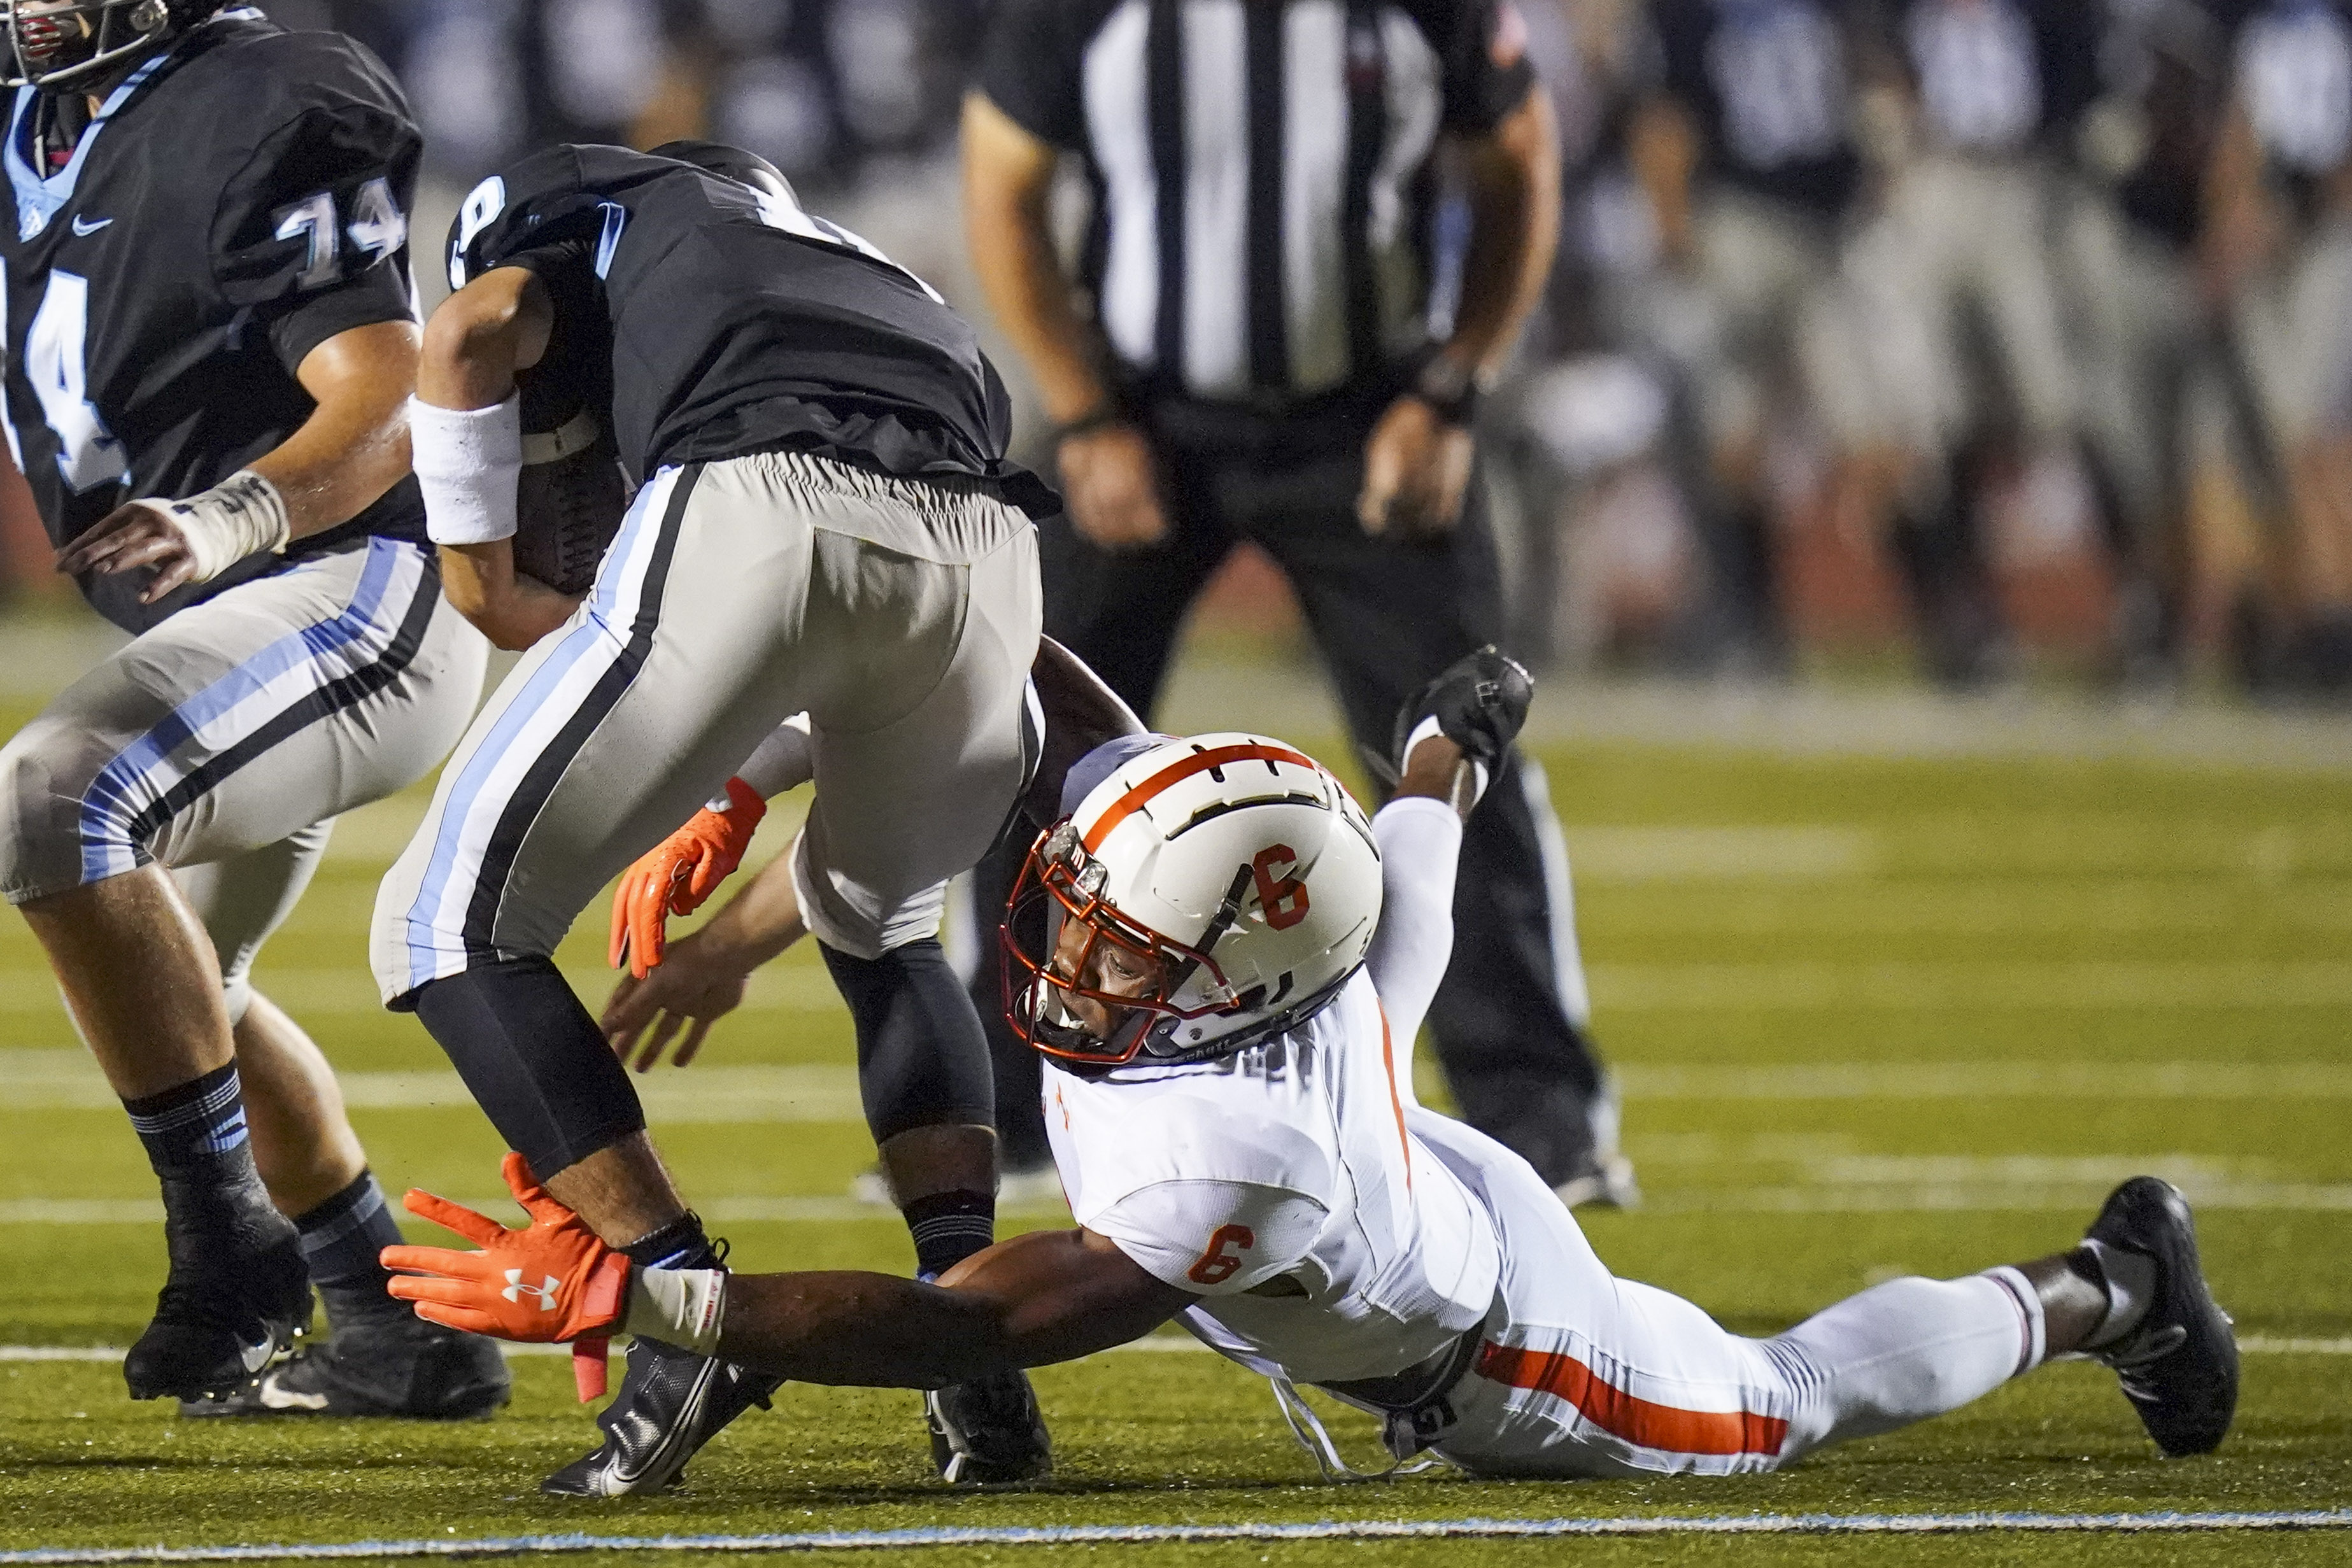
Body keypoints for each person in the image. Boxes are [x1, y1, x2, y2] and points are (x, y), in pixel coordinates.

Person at [381, 647, 2241, 1481]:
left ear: (1221, 976)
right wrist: (1443, 742)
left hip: (1505, 1348)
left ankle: (2104, 1288)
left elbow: (966, 1327)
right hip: (1409, 1146)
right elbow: (1029, 692)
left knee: (1771, 1407)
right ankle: (2105, 1289)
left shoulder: (1223, 1157)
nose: (1062, 933)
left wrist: (668, 1308)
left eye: (1119, 938)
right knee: (1395, 929)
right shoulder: (1250, 918)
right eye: (1082, 902)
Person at [367, 139, 1056, 1495]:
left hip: (756, 501)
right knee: (884, 919)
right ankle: (969, 1337)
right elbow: (882, 589)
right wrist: (737, 774)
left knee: (443, 924)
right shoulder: (874, 279)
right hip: (992, 564)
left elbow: (468, 332)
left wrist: (471, 568)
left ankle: (682, 1309)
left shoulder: (617, 226)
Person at [958, 0, 1635, 1211]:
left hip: (1366, 413)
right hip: (1145, 413)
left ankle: (1540, 1115)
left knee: (1457, 747)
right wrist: (1086, 410)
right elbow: (1001, 186)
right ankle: (999, 1103)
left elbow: (1517, 166)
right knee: (1023, 748)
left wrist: (1450, 389)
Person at [0, 0, 506, 1417]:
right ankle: (395, 1321)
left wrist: (231, 515)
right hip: (217, 618)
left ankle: (230, 1249)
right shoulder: (39, 117)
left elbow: (391, 391)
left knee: (55, 793)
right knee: (186, 995)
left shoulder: (271, 92)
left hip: (353, 578)